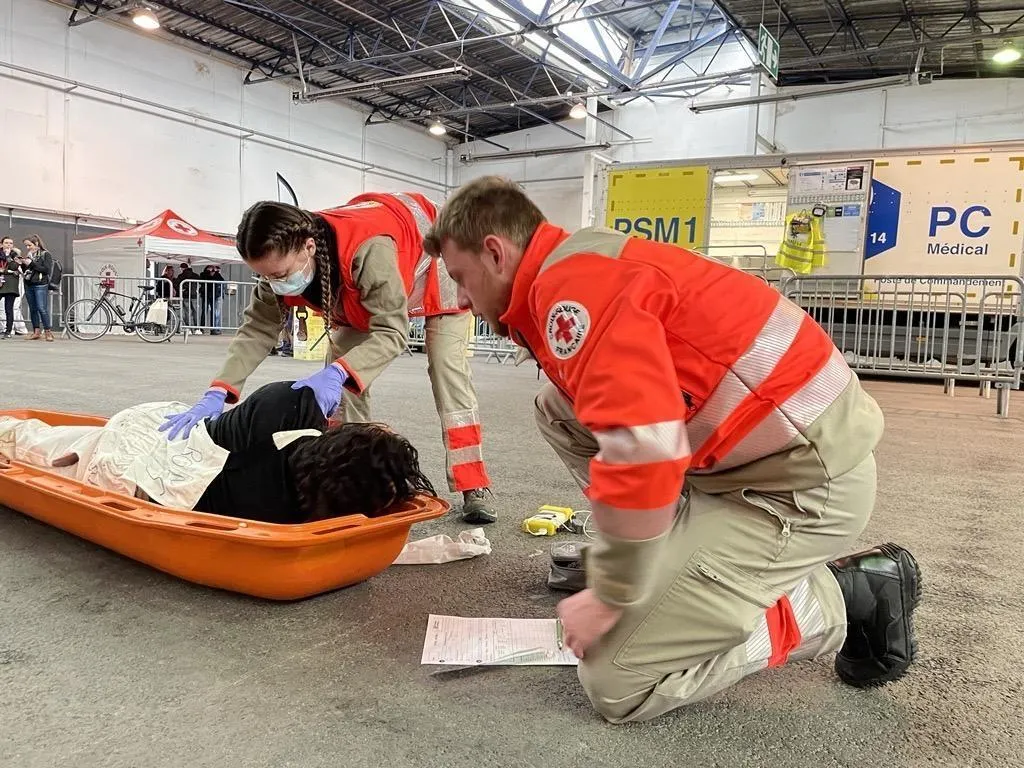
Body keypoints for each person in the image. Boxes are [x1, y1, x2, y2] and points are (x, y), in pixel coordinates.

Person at [424, 176, 921, 723]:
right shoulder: (578, 263)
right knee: (557, 408)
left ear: (495, 253)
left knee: (617, 681)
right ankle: (667, 552)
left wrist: (613, 592)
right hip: (753, 462)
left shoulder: (572, 297)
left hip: (801, 488)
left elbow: (645, 449)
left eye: (460, 278)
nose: (461, 299)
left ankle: (845, 595)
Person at [160, 193, 496, 524]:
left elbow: (392, 332)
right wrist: (219, 390)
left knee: (446, 371)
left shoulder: (368, 249)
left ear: (308, 247)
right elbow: (257, 330)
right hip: (366, 290)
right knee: (343, 381)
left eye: (281, 274)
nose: (275, 284)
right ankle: (357, 478)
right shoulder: (285, 262)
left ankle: (473, 485)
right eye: (266, 276)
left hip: (438, 268)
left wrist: (338, 372)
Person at [0, 380, 435, 523]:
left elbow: (280, 408)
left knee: (35, 444)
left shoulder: (287, 424)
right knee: (43, 443)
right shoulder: (304, 507)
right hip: (154, 456)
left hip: (137, 456)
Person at [18, 235, 54, 341]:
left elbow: (46, 270)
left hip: (40, 284)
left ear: (36, 243)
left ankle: (48, 332)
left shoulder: (45, 254)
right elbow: (27, 270)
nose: (28, 248)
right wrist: (22, 264)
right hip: (29, 284)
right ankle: (36, 332)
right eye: (26, 245)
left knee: (42, 308)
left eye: (29, 245)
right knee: (33, 309)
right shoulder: (29, 255)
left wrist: (32, 263)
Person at [0, 238, 21, 339]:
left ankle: (8, 330)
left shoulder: (15, 255)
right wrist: (7, 272)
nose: (8, 245)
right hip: (1, 282)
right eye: (6, 243)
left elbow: (14, 267)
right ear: (1, 244)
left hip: (11, 284)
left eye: (11, 243)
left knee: (8, 308)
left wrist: (8, 256)